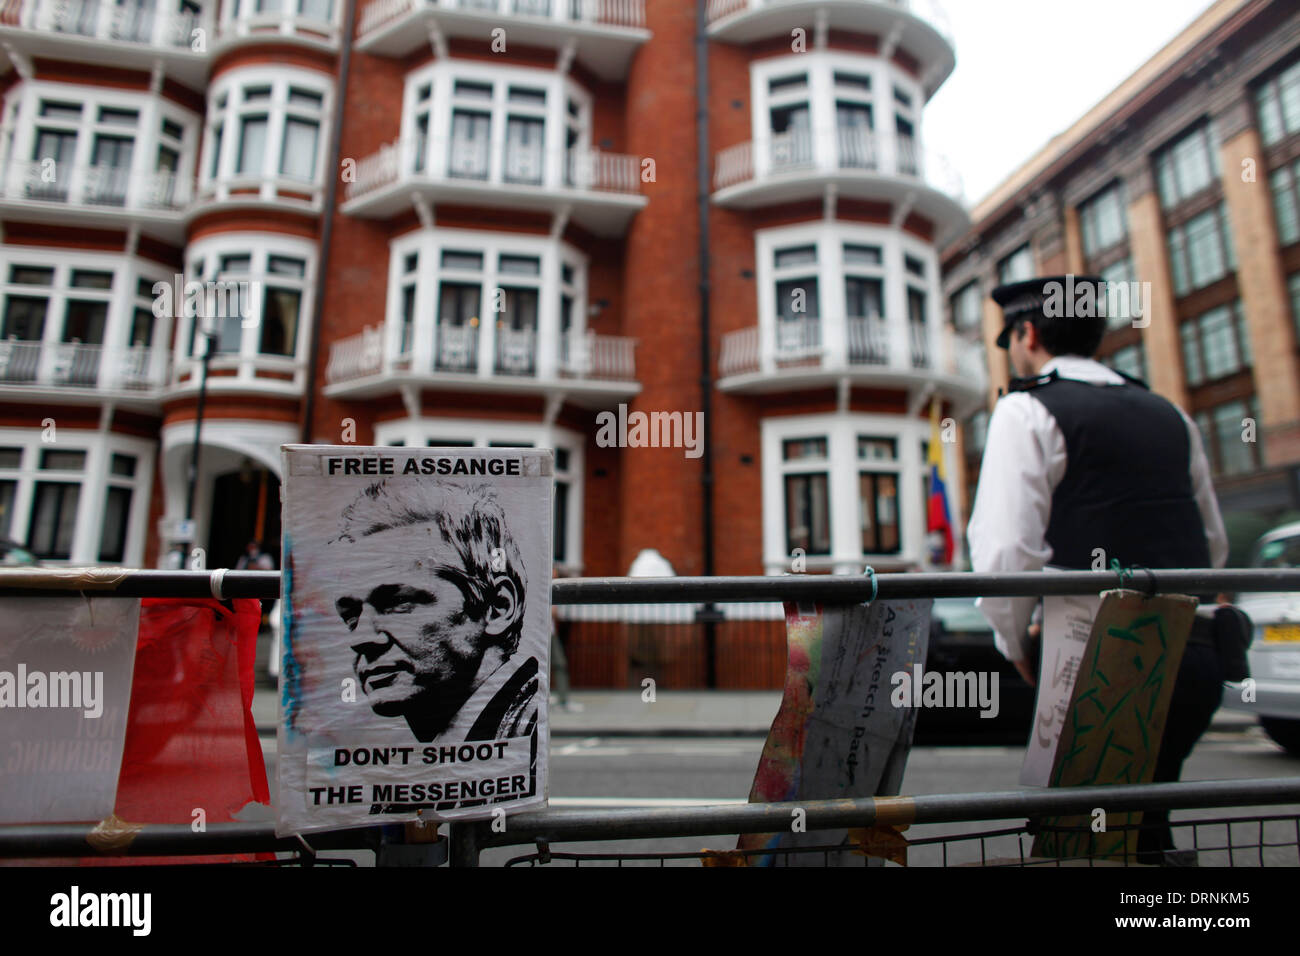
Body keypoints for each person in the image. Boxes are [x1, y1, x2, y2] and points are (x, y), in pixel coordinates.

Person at [966, 274, 1230, 866]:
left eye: (1009, 337)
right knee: (1145, 830)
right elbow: (1210, 544)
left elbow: (1007, 551)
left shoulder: (1025, 409)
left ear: (1028, 332)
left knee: (1079, 844)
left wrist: (1014, 644)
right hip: (1195, 653)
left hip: (1099, 658)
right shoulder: (1170, 413)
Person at [330, 481, 539, 746]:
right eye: (351, 617)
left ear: (498, 607)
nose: (359, 638)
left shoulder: (524, 728)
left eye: (398, 603)